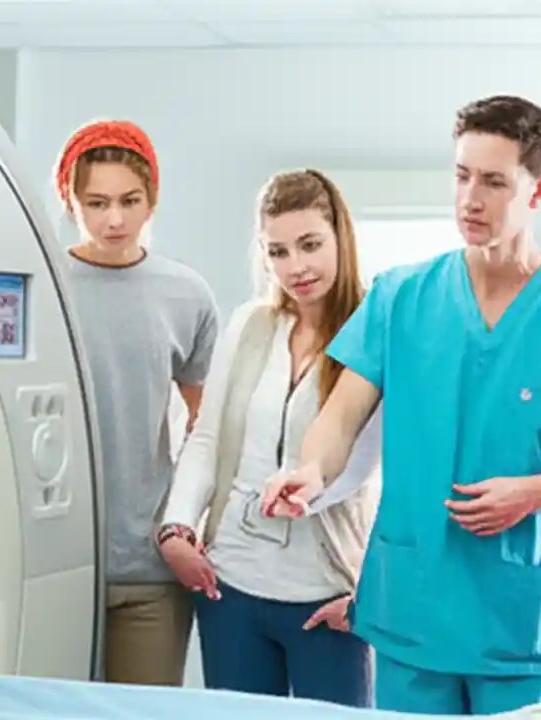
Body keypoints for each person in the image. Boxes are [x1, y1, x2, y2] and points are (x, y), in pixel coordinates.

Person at [262, 95, 541, 715]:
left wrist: (538, 491)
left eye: (493, 182)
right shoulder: (401, 296)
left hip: (519, 621)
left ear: (537, 191)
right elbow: (342, 415)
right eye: (461, 176)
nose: (470, 199)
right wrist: (311, 470)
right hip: (414, 603)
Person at [155, 169, 380, 706]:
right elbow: (207, 437)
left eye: (310, 245)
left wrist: (370, 592)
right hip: (230, 583)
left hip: (325, 592)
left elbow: (368, 464)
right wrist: (175, 529)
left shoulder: (374, 328)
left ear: (339, 238)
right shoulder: (251, 324)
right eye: (277, 252)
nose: (296, 267)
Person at [53, 119, 219, 686]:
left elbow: (207, 428)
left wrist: (185, 526)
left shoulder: (186, 294)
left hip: (149, 565)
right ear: (69, 200)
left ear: (152, 201)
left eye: (130, 200)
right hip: (52, 564)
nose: (114, 219)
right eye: (95, 202)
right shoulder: (41, 284)